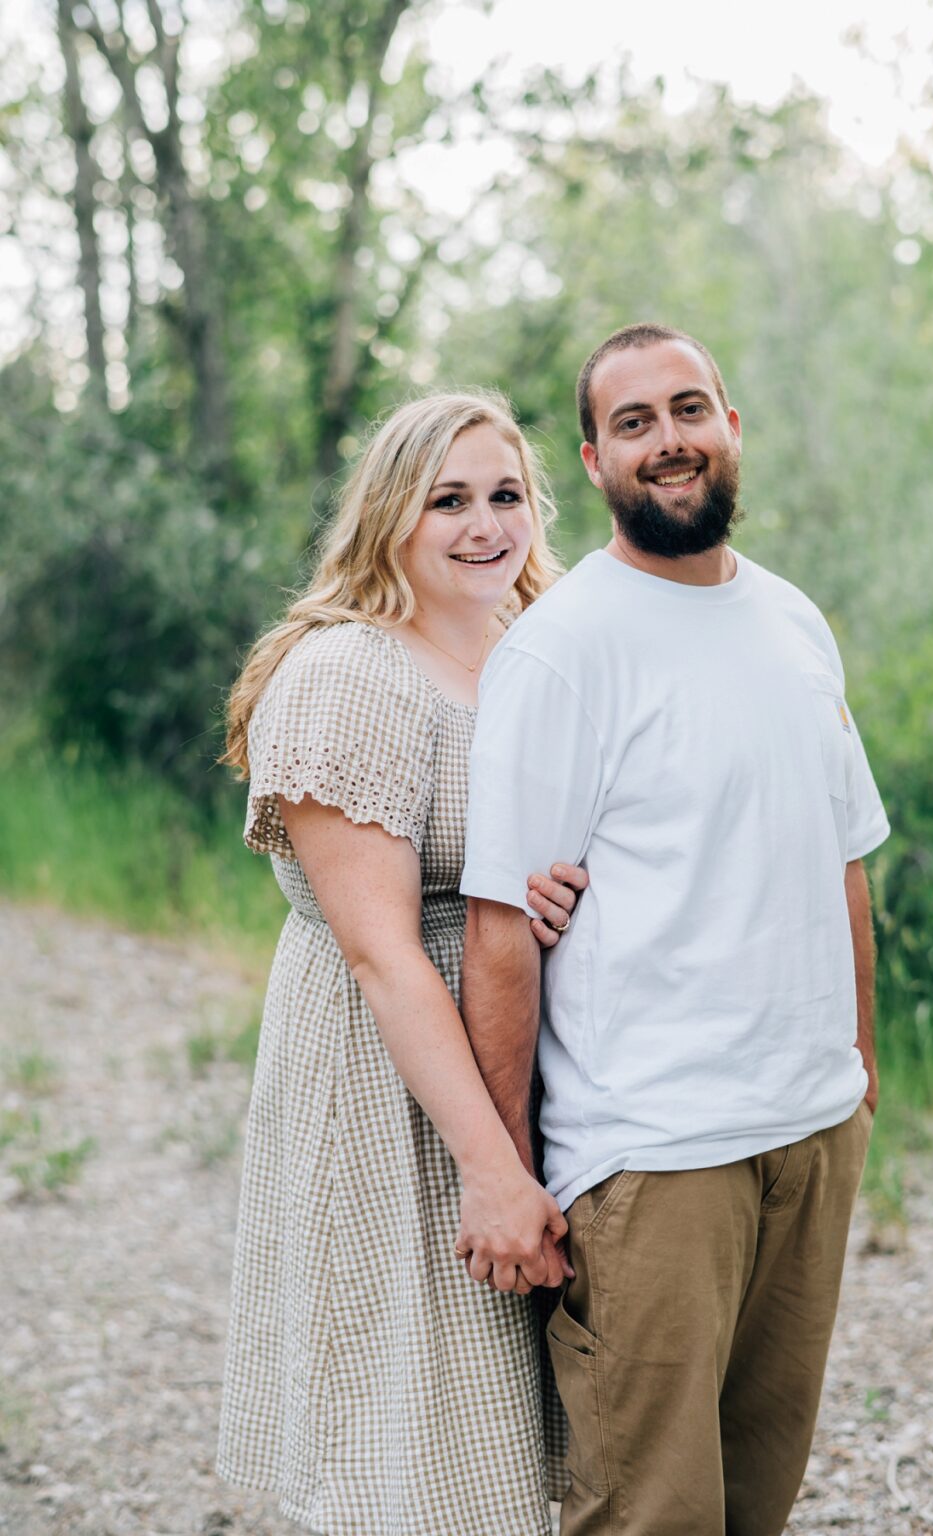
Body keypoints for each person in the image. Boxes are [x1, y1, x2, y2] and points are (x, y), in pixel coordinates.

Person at [456, 324, 890, 1536]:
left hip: (807, 1130)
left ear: (731, 429)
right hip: (651, 1160)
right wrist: (514, 1169)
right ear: (593, 461)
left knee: (758, 1500)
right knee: (650, 1515)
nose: (669, 441)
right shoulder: (562, 650)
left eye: (688, 409)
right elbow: (500, 930)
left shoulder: (795, 623)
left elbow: (841, 857)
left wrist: (856, 1070)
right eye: (634, 424)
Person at [216, 391, 582, 1536]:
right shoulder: (349, 677)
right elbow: (380, 952)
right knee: (418, 1428)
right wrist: (490, 1166)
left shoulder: (543, 645)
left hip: (527, 1052)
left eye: (506, 496)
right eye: (449, 500)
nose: (486, 526)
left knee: (523, 1422)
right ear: (388, 515)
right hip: (395, 1079)